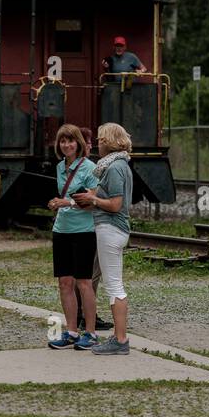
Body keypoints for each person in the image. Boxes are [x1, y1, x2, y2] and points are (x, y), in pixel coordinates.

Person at [73, 122, 134, 355]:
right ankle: (119, 338)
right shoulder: (115, 165)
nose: (97, 143)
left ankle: (120, 340)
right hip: (111, 229)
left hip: (111, 229)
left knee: (114, 286)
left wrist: (94, 201)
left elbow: (116, 204)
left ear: (110, 141)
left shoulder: (116, 167)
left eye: (100, 139)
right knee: (113, 284)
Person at [46, 124, 100, 351]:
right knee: (64, 283)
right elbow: (65, 195)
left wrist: (65, 202)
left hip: (84, 231)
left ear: (79, 143)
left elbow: (93, 199)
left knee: (84, 282)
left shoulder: (90, 168)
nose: (66, 145)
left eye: (70, 141)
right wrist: (56, 203)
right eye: (62, 141)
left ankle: (91, 333)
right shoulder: (60, 167)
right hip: (62, 230)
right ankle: (71, 332)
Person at [73, 127, 113, 332]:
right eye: (87, 141)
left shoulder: (69, 167)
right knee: (91, 275)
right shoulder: (90, 168)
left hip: (76, 228)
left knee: (80, 275)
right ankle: (88, 316)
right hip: (90, 226)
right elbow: (91, 199)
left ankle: (80, 314)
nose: (91, 145)